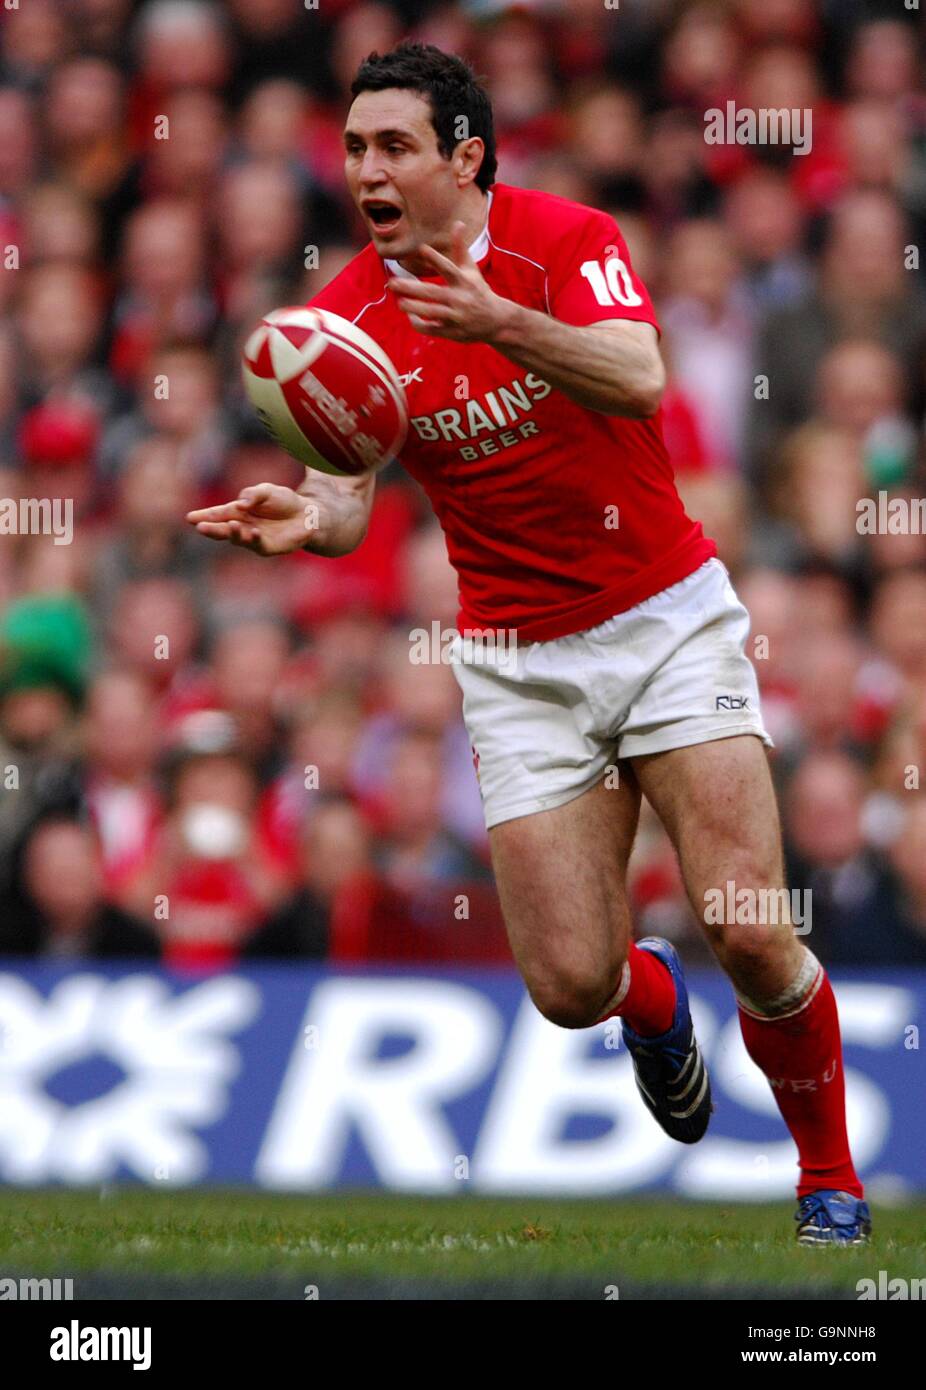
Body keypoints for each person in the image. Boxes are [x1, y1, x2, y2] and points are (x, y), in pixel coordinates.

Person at [187, 42, 868, 1245]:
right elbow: (345, 493)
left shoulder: (564, 240)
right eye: (353, 148)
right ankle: (649, 999)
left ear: (465, 158)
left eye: (394, 146)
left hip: (663, 619)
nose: (366, 171)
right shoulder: (345, 314)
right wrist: (307, 521)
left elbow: (638, 374)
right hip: (517, 662)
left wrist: (499, 320)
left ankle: (830, 1183)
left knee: (752, 928)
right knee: (565, 988)